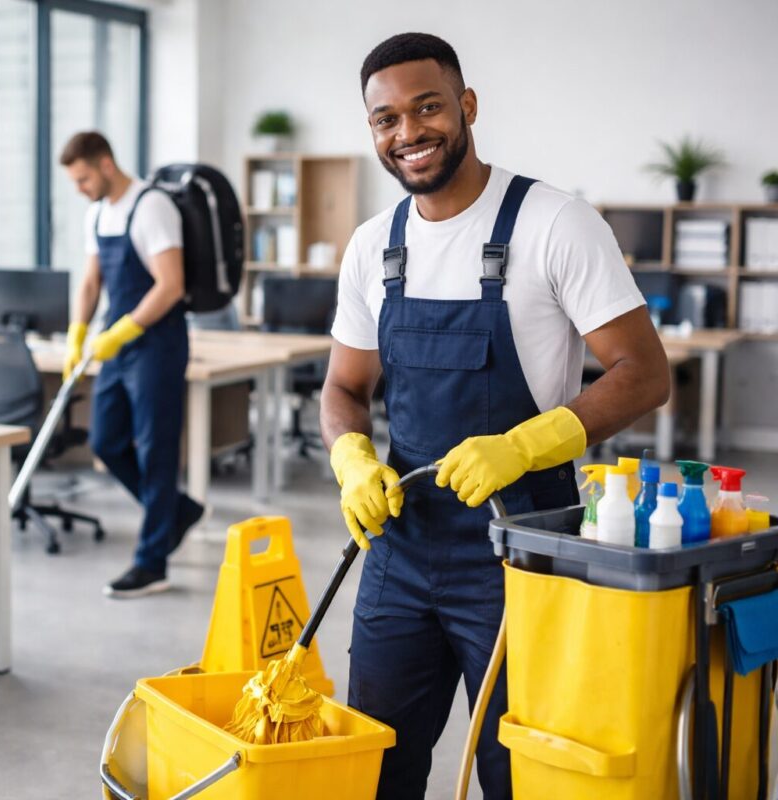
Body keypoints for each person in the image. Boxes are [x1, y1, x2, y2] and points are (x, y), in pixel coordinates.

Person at [320, 34, 670, 798]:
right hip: (402, 547)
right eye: (385, 119)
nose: (408, 132)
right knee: (375, 763)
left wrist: (527, 444)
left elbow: (645, 375)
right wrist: (352, 460)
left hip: (523, 550)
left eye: (427, 107)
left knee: (521, 771)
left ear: (466, 106)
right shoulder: (374, 247)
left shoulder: (555, 223)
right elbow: (343, 388)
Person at [59, 131, 204, 598]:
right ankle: (175, 513)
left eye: (83, 178)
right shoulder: (98, 212)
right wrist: (77, 333)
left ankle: (152, 562)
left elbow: (170, 284)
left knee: (154, 450)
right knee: (107, 440)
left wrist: (121, 330)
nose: (80, 188)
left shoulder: (152, 207)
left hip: (156, 342)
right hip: (116, 347)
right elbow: (90, 281)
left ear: (105, 164)